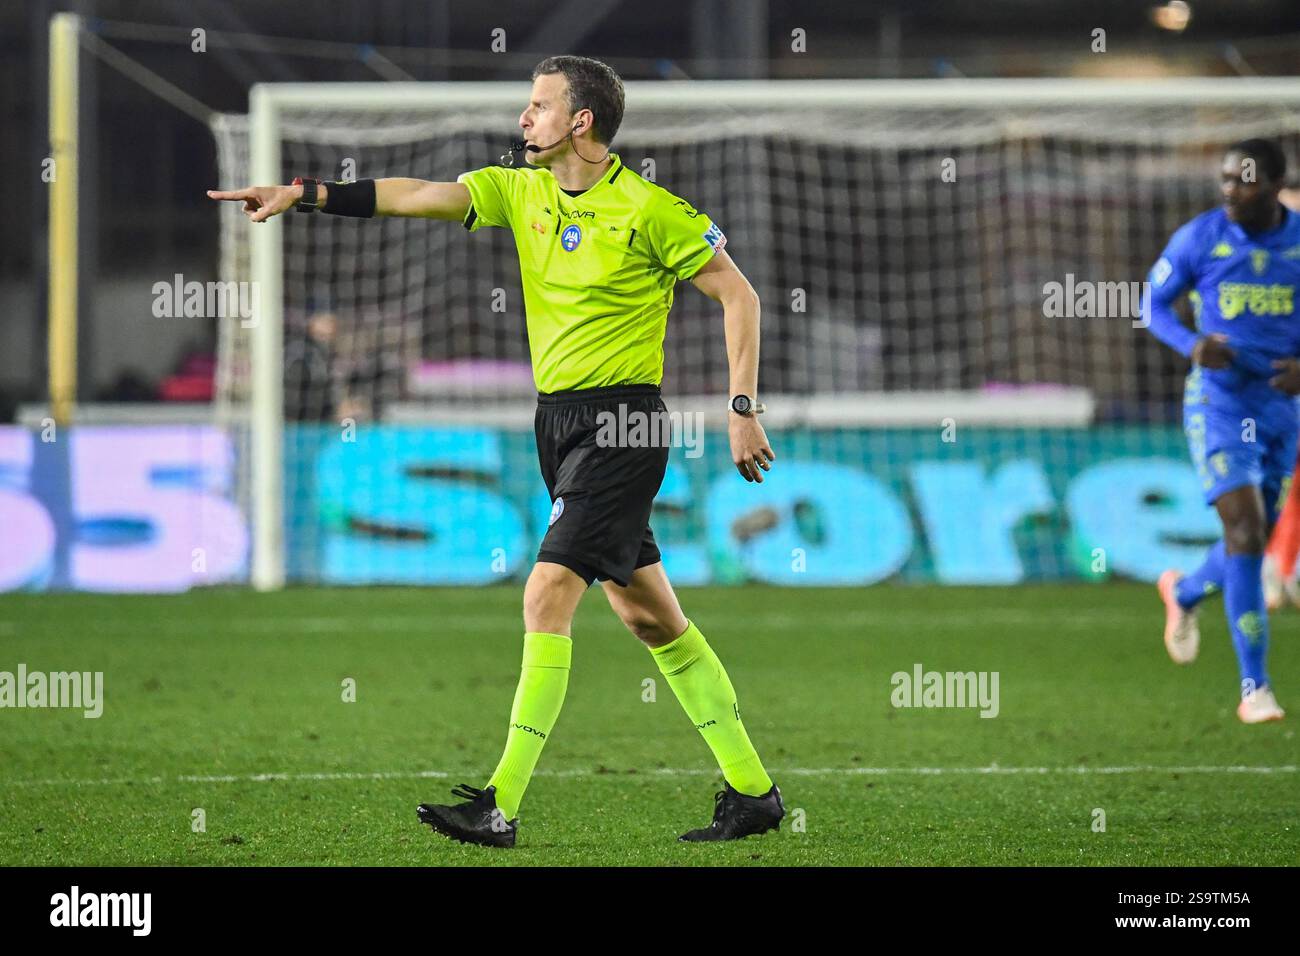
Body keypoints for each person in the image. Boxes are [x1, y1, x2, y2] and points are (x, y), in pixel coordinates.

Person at [209, 55, 783, 845]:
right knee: (650, 617)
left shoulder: (651, 210)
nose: (524, 118)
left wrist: (743, 409)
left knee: (546, 593)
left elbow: (738, 294)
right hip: (557, 425)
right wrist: (305, 194)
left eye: (539, 105)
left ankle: (499, 803)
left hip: (624, 426)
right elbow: (415, 195)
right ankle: (753, 793)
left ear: (581, 121)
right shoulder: (520, 191)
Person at [1146, 138, 1300, 724]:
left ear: (1277, 185)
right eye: (1226, 178)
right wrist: (1192, 344)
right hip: (1219, 404)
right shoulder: (1201, 237)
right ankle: (1254, 688)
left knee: (1250, 540)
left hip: (1282, 409)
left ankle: (1184, 591)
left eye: (1245, 180)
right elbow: (1151, 303)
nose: (1231, 190)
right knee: (1244, 530)